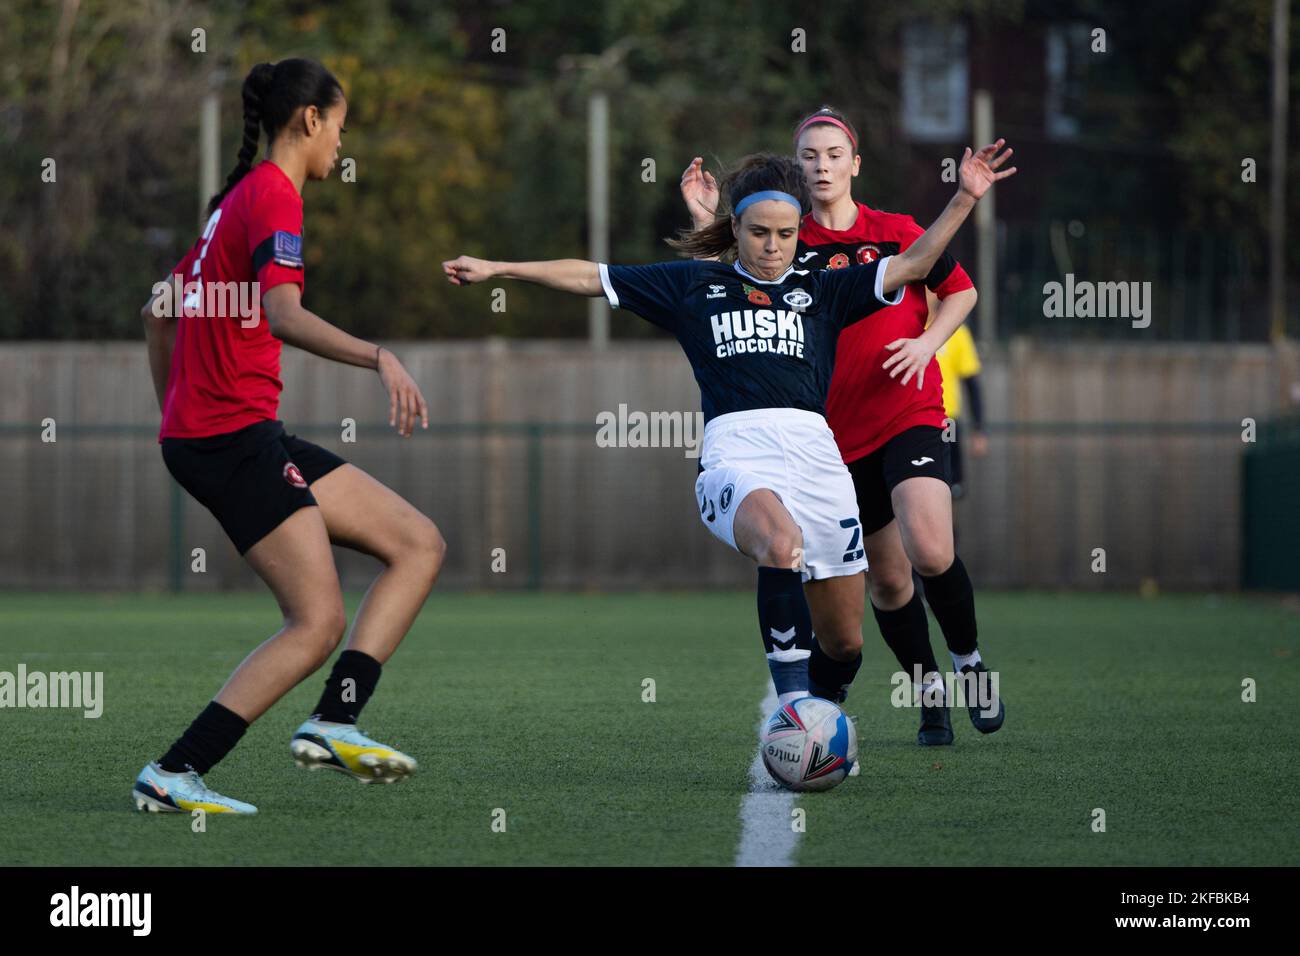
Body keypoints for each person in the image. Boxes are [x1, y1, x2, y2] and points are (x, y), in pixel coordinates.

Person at [443, 143, 1013, 722]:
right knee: (780, 544)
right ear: (733, 228)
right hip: (738, 458)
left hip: (820, 462)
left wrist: (966, 197)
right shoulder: (696, 286)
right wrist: (499, 269)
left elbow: (917, 264)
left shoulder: (823, 289)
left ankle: (828, 704)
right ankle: (792, 710)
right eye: (759, 232)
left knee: (845, 643)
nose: (774, 246)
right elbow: (592, 277)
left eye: (787, 234)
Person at [134, 59, 444, 814]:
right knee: (317, 621)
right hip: (231, 438)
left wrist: (172, 412)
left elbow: (157, 310)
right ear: (310, 119)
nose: (341, 140)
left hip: (236, 433)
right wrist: (380, 355)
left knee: (417, 542)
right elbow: (282, 314)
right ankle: (174, 773)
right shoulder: (272, 193)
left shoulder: (232, 202)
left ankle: (337, 719)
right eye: (340, 124)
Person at [680, 107, 1006, 745]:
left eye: (833, 154)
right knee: (886, 582)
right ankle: (930, 691)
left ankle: (969, 664)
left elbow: (959, 289)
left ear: (855, 163)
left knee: (931, 547)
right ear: (794, 169)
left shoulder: (893, 232)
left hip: (907, 411)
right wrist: (705, 218)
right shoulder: (788, 238)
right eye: (808, 156)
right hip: (828, 441)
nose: (821, 165)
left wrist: (929, 343)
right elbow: (726, 276)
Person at [935, 322, 987, 500]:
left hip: (946, 420)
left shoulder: (957, 330)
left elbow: (972, 384)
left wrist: (978, 429)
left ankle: (950, 524)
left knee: (951, 485)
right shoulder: (909, 323)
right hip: (911, 422)